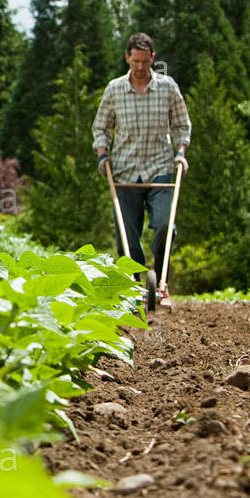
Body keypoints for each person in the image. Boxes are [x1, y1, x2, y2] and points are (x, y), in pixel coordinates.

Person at [91, 32, 191, 309]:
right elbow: (101, 127)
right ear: (127, 58)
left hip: (160, 168)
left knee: (165, 227)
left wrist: (181, 153)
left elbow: (182, 124)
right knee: (128, 238)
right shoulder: (114, 90)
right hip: (124, 172)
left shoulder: (167, 88)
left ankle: (161, 284)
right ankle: (134, 288)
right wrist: (102, 155)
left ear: (153, 59)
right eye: (135, 61)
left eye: (145, 62)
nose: (140, 67)